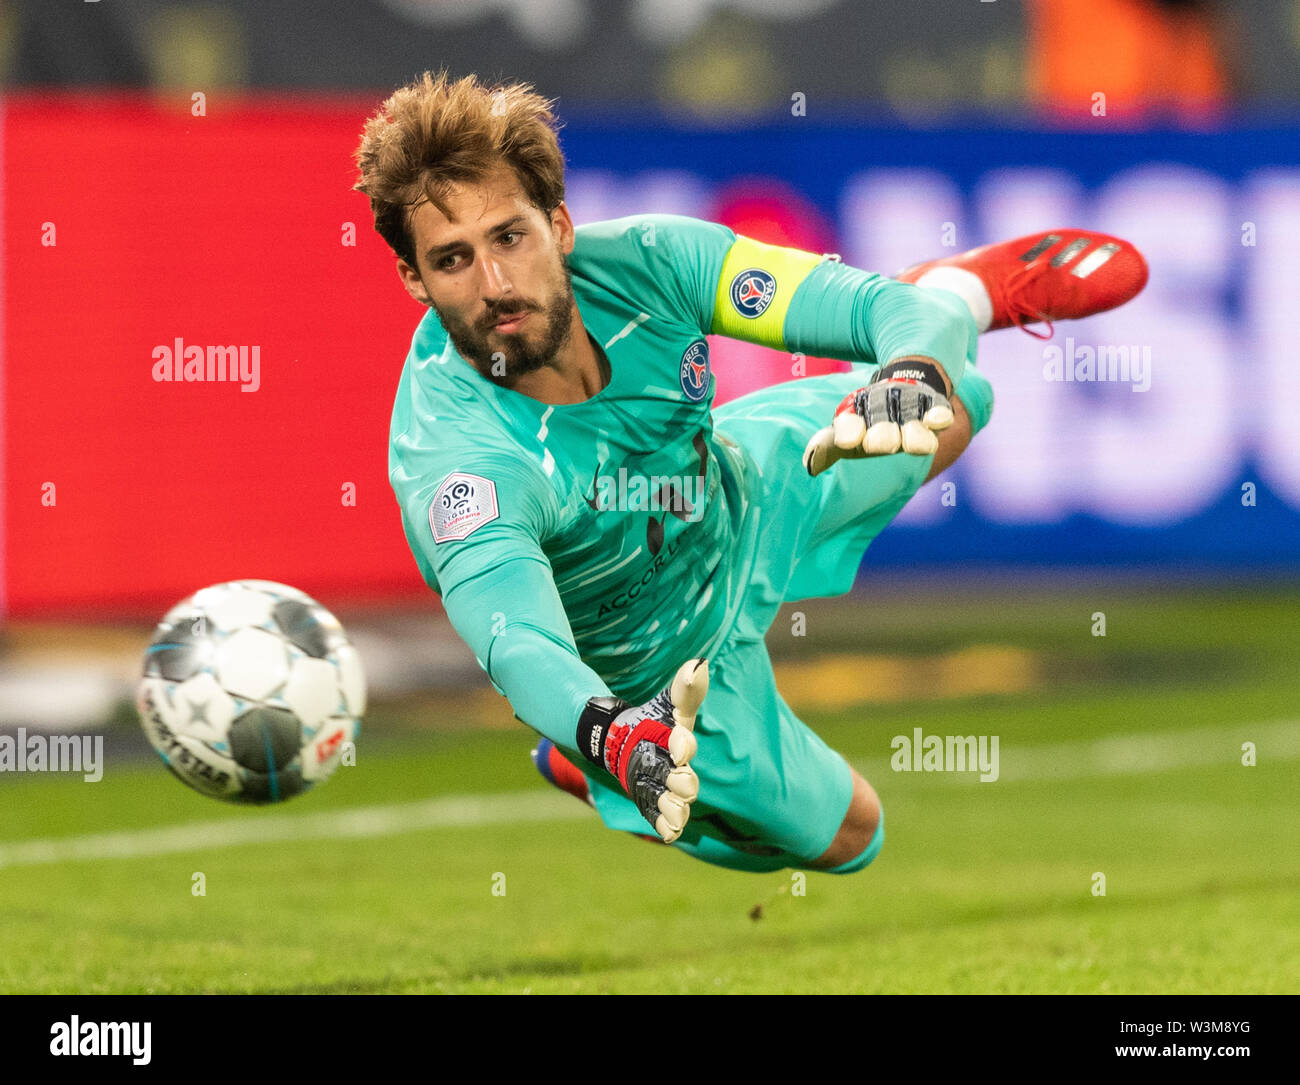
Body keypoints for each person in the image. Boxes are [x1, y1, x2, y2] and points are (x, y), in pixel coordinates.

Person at [354, 71, 1147, 874]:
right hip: (660, 677)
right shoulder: (454, 461)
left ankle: (960, 285)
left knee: (953, 398)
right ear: (414, 280)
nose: (494, 285)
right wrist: (609, 733)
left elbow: (873, 309)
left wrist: (910, 363)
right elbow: (517, 641)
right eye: (453, 259)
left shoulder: (655, 263)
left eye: (509, 237)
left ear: (558, 225)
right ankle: (588, 769)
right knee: (850, 838)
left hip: (746, 488)